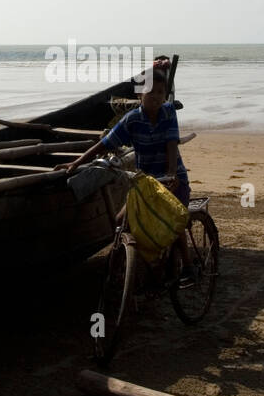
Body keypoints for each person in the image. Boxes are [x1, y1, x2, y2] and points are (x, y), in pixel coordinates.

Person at [56, 67, 193, 279]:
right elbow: (105, 143)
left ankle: (188, 266)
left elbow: (171, 144)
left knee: (173, 220)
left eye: (160, 92)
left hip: (173, 179)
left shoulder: (168, 112)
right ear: (139, 95)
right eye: (151, 92)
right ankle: (128, 268)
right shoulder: (132, 119)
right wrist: (76, 163)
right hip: (146, 182)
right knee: (121, 222)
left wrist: (172, 174)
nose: (156, 97)